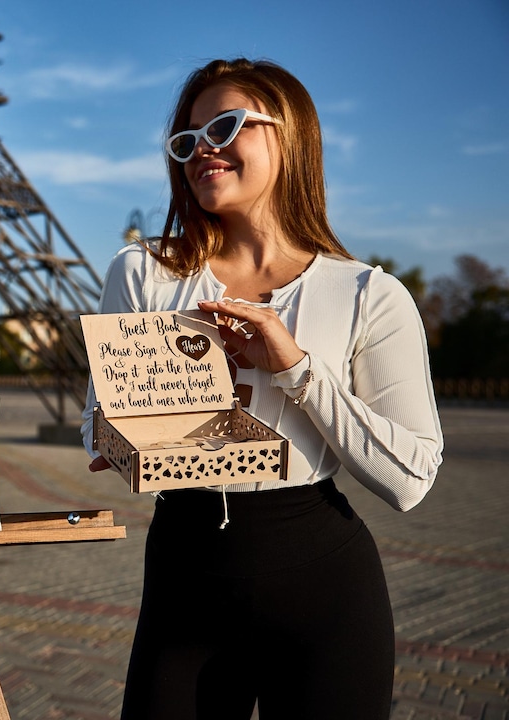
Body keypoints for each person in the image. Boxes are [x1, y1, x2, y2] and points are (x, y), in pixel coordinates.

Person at [81, 58, 443, 719]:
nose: (202, 149)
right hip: (183, 581)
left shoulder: (368, 294)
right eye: (186, 140)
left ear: (292, 135)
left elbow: (411, 479)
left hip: (325, 591)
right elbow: (95, 420)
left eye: (224, 126)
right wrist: (121, 439)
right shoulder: (143, 273)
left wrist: (296, 368)